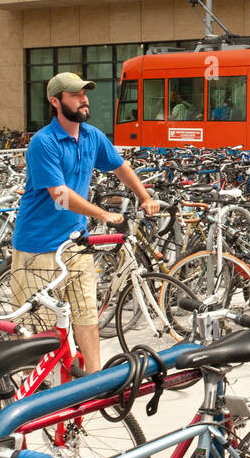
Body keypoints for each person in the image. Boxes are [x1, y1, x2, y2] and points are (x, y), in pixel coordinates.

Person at [11, 72, 161, 374]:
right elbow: (60, 196)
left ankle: (92, 387)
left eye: (85, 94)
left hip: (75, 244)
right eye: (75, 95)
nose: (84, 99)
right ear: (56, 101)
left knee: (86, 320)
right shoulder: (44, 142)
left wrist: (144, 196)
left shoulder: (92, 136)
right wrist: (101, 214)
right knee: (37, 333)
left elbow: (120, 166)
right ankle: (38, 395)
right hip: (37, 249)